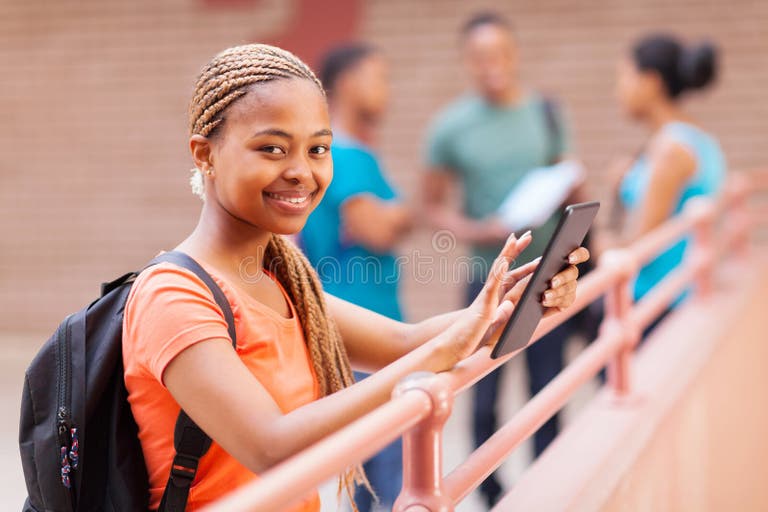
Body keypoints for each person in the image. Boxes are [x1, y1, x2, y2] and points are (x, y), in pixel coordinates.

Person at [121, 43, 589, 511]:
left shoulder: (283, 276)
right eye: (272, 148)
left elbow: (405, 342)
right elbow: (271, 448)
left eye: (318, 149)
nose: (302, 172)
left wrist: (509, 303)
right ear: (205, 155)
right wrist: (439, 352)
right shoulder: (174, 295)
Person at [422, 12, 577, 506]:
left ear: (514, 54)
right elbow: (430, 206)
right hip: (486, 275)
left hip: (545, 272)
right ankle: (490, 492)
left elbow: (568, 182)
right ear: (468, 61)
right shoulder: (449, 127)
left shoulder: (546, 113)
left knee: (547, 384)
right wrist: (478, 229)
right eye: (482, 56)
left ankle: (549, 487)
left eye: (501, 54)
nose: (494, 65)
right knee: (482, 392)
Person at [301, 43, 410, 511]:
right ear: (346, 84)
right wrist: (407, 212)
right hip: (363, 334)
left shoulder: (345, 153)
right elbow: (378, 230)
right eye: (378, 78)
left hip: (357, 328)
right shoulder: (346, 155)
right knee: (384, 476)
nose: (387, 90)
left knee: (369, 471)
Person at [613, 33, 725, 331]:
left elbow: (641, 243)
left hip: (656, 304)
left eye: (624, 77)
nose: (619, 90)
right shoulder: (698, 138)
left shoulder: (670, 150)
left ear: (650, 82)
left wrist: (598, 246)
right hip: (680, 295)